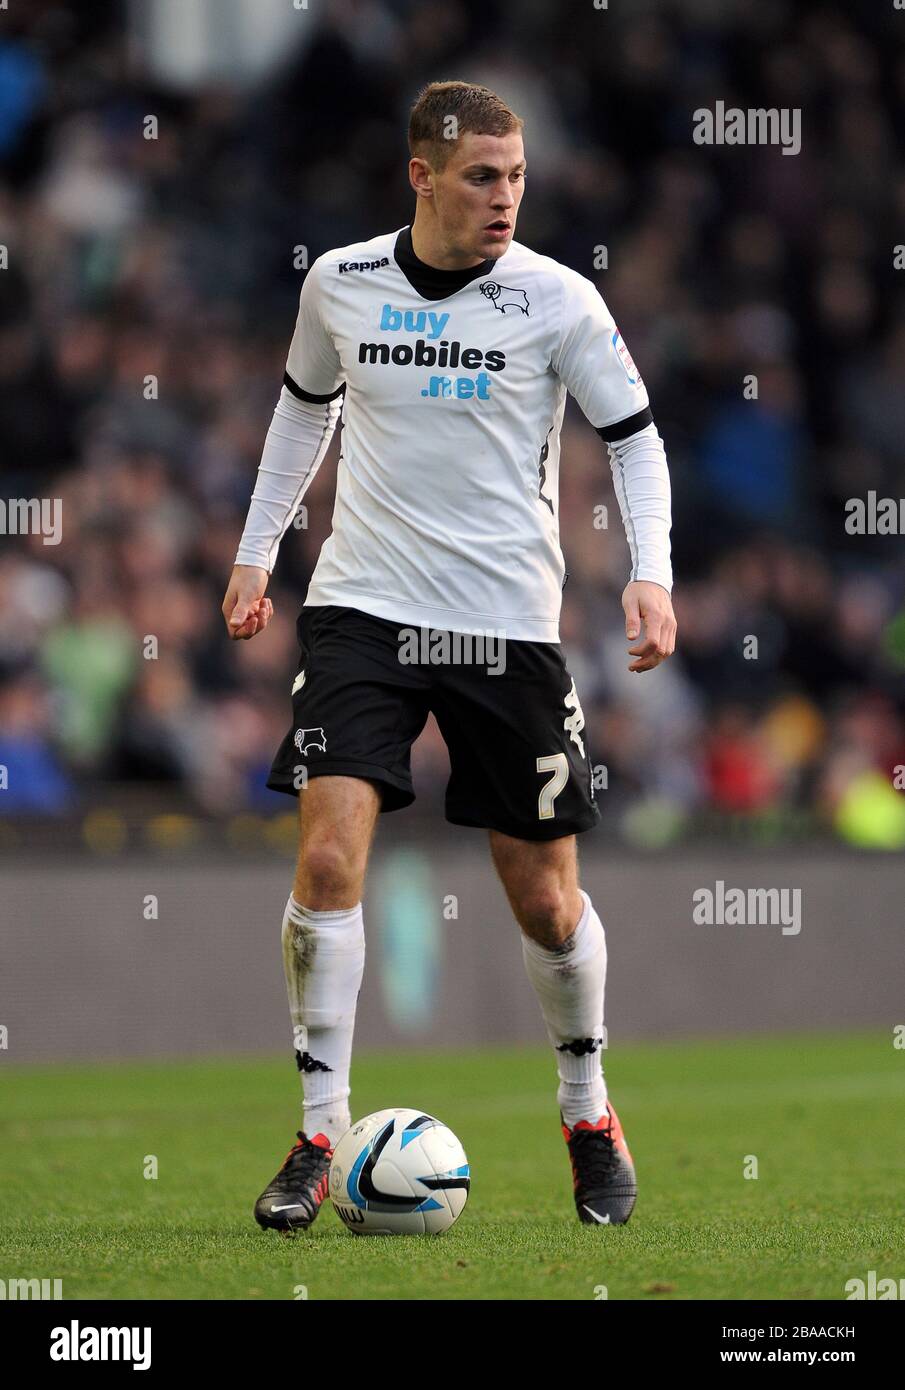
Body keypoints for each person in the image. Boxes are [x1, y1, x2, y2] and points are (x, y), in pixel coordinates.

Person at [221, 80, 676, 1231]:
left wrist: (649, 571)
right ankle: (319, 1134)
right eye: (482, 176)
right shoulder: (338, 283)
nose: (505, 198)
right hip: (360, 609)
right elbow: (299, 414)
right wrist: (254, 551)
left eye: (516, 176)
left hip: (505, 625)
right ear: (419, 175)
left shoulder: (558, 299)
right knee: (328, 858)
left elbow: (633, 439)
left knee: (545, 900)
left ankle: (586, 1106)